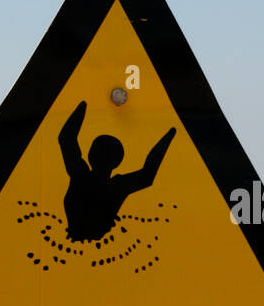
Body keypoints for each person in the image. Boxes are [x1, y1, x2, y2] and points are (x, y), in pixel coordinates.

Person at [58, 100, 176, 241]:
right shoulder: (114, 186)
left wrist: (82, 106)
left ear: (90, 155)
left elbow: (66, 138)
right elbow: (147, 174)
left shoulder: (82, 174)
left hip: (88, 244)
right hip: (81, 242)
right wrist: (168, 137)